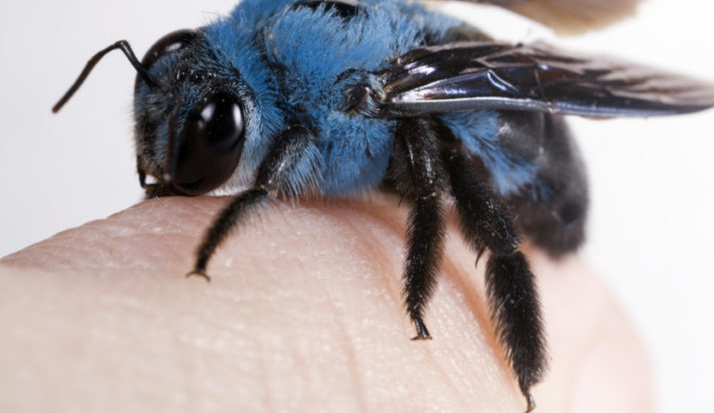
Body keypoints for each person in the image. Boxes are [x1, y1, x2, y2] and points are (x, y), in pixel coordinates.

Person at [0, 194, 651, 412]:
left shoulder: (345, 95)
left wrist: (417, 298)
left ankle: (529, 376)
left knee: (435, 158)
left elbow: (428, 179)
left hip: (526, 162)